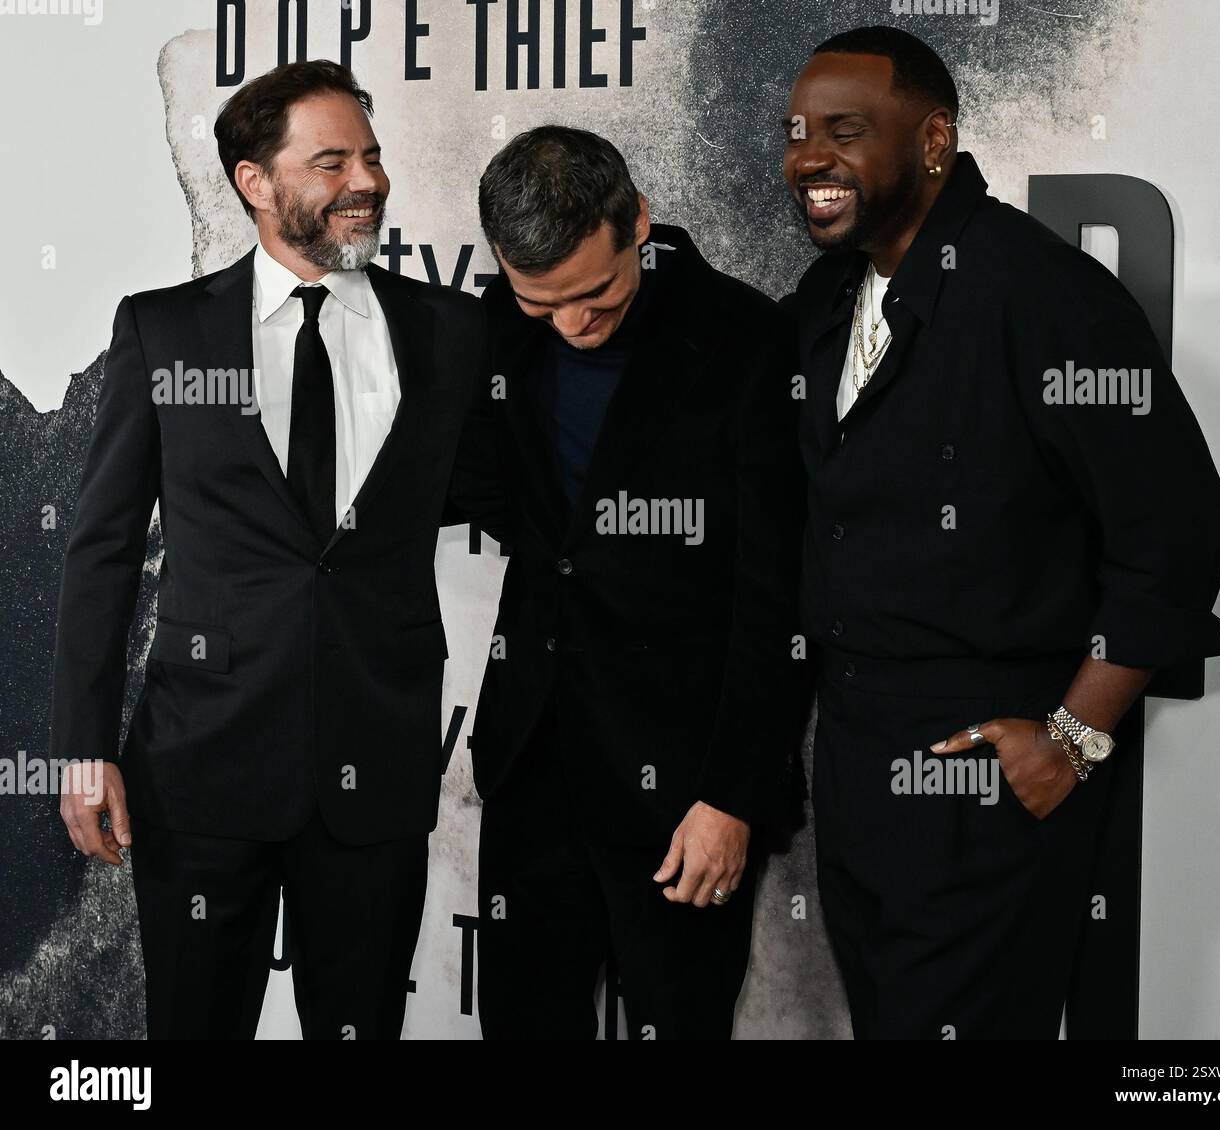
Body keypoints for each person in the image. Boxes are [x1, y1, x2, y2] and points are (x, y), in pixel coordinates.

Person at [780, 27, 1220, 1038]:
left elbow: (1178, 531)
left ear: (933, 139)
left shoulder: (1048, 298)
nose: (808, 157)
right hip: (854, 763)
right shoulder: (824, 299)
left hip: (985, 769)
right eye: (798, 133)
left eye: (844, 131)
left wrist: (1071, 738)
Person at [52, 60, 487, 1039]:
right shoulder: (163, 332)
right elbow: (102, 548)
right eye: (330, 161)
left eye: (371, 157)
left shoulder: (452, 333)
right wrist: (81, 744)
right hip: (199, 771)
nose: (365, 181)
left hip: (375, 770)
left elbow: (525, 502)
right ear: (256, 183)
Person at [458, 125, 809, 1039]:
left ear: (639, 221)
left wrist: (732, 794)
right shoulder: (497, 328)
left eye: (597, 293)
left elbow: (779, 596)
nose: (573, 322)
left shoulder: (750, 342)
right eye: (545, 304)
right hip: (534, 757)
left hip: (685, 782)